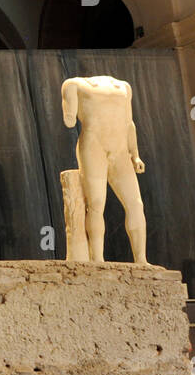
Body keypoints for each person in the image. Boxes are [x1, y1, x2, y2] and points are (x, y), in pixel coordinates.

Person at [61, 75, 150, 265]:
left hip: (119, 150)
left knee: (135, 204)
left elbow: (129, 123)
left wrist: (134, 154)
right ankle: (98, 259)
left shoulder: (124, 85)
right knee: (96, 204)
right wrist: (69, 108)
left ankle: (141, 259)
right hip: (94, 147)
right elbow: (69, 120)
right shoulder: (74, 85)